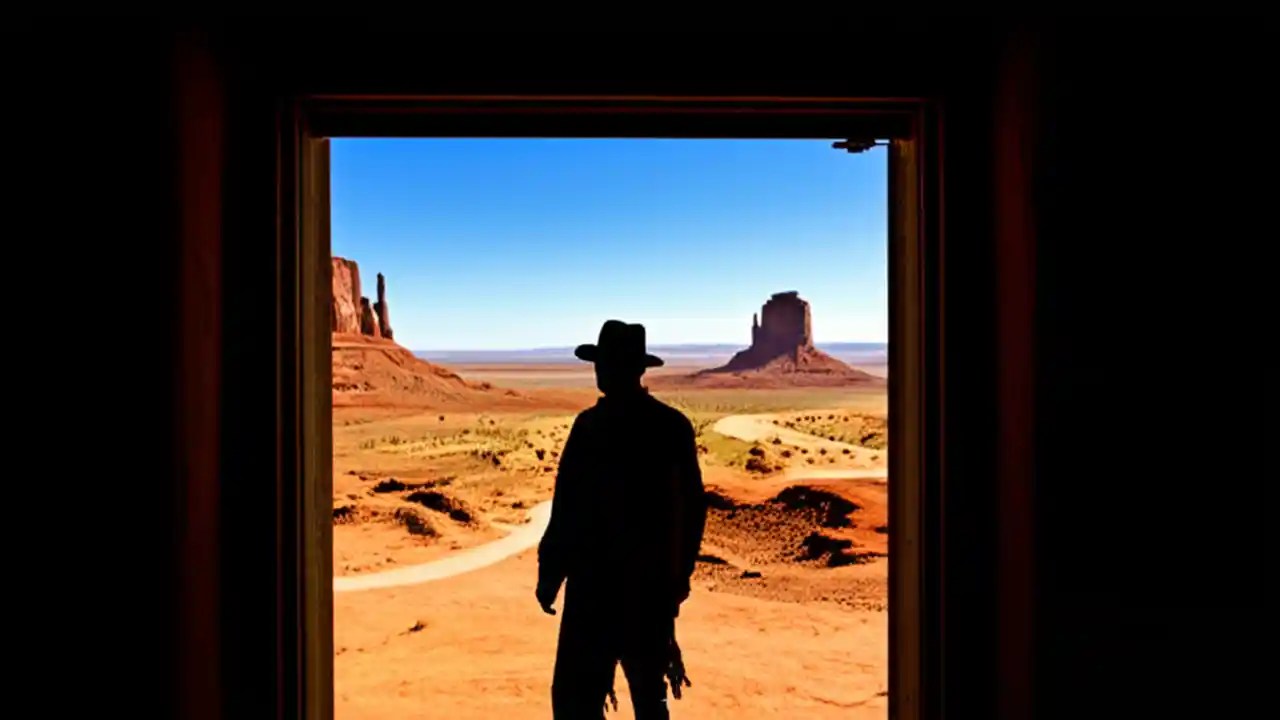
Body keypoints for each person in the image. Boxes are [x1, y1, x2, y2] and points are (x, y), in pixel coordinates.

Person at [537, 320, 707, 719]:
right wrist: (677, 581)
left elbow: (567, 509)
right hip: (649, 595)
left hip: (593, 592)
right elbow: (693, 511)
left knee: (576, 700)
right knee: (650, 699)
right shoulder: (672, 427)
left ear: (617, 368)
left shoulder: (590, 427)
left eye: (603, 363)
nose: (598, 371)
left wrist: (550, 575)